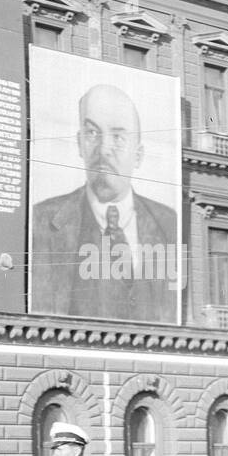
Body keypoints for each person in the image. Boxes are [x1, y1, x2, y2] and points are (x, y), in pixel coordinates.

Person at [31, 84, 178, 323]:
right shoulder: (42, 220)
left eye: (118, 137)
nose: (103, 149)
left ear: (138, 155)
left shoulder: (168, 223)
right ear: (79, 143)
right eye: (92, 133)